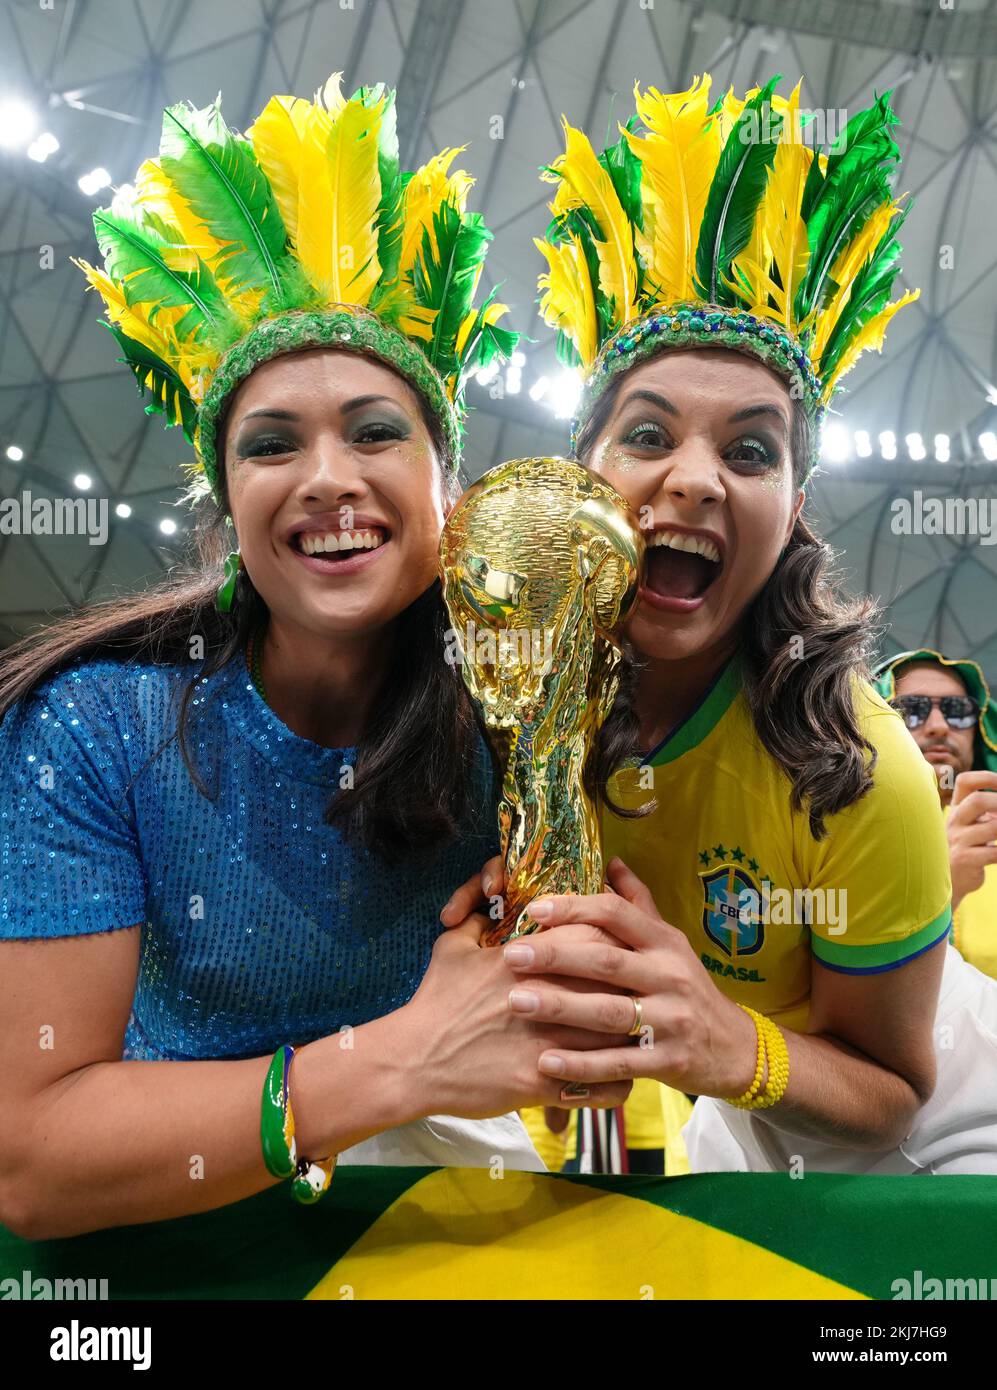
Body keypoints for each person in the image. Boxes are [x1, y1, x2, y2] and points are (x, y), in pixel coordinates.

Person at [0, 76, 634, 1242]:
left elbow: (581, 1072)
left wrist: (580, 990)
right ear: (228, 502)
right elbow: (35, 1163)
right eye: (271, 443)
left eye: (377, 430)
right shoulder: (95, 731)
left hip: (439, 1239)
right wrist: (403, 1062)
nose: (329, 476)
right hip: (171, 1253)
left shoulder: (517, 714)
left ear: (447, 487)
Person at [473, 72, 997, 1174]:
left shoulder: (862, 774)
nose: (696, 481)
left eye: (751, 450)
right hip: (720, 1110)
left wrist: (722, 1039)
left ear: (794, 510)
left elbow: (892, 1096)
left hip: (925, 1126)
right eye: (648, 434)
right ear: (582, 477)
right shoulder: (488, 696)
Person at [873, 650, 997, 981]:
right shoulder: (833, 832)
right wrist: (945, 885)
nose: (939, 727)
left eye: (958, 711)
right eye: (912, 710)